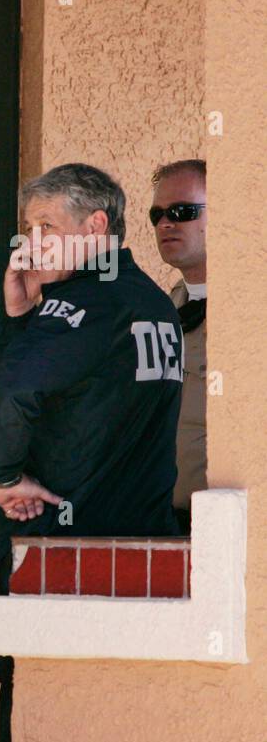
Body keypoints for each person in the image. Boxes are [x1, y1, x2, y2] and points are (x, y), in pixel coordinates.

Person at [0, 162, 184, 540]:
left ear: (95, 226)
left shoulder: (88, 302)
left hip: (71, 540)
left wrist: (2, 476)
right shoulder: (152, 300)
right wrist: (19, 317)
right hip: (147, 537)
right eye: (29, 230)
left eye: (46, 227)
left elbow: (14, 387)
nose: (32, 244)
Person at [150, 158, 207, 533]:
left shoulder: (250, 314)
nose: (166, 223)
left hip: (231, 524)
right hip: (166, 520)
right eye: (157, 214)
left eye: (183, 211)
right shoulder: (164, 307)